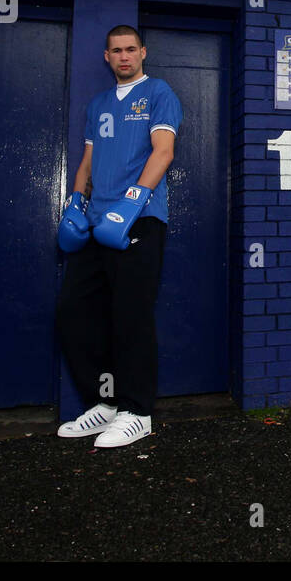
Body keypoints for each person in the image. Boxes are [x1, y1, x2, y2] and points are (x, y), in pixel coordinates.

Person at [53, 24, 182, 448]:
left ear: (142, 52)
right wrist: (75, 200)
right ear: (106, 57)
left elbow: (163, 150)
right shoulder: (98, 104)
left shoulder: (159, 93)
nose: (124, 56)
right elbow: (88, 160)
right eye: (116, 51)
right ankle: (103, 403)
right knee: (75, 312)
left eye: (131, 49)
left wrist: (133, 200)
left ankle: (137, 412)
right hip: (96, 222)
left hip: (140, 220)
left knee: (131, 314)